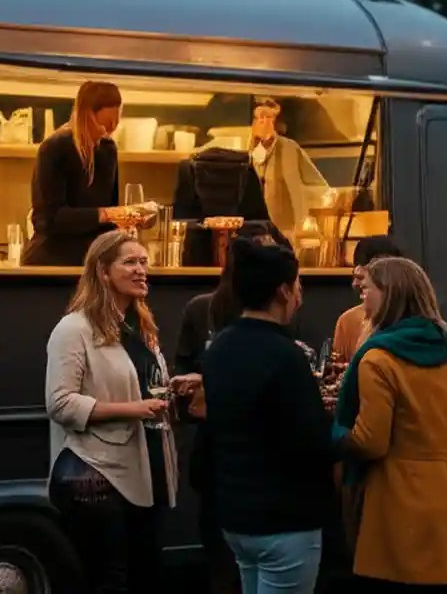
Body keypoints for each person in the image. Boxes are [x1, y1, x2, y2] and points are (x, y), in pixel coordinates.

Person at [333, 257, 447, 592]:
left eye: (367, 289)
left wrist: (335, 433)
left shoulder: (378, 359)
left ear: (389, 295)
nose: (362, 296)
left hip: (398, 501)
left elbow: (371, 441)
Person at [45, 230, 179, 593]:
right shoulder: (73, 329)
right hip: (98, 476)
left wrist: (178, 386)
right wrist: (134, 409)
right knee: (109, 580)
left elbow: (144, 384)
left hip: (148, 471)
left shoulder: (139, 327)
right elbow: (60, 403)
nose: (141, 270)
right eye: (130, 262)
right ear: (102, 271)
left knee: (146, 573)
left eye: (144, 262)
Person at [200, 238, 334, 594]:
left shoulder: (219, 348)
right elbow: (311, 441)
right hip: (285, 520)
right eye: (298, 286)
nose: (300, 296)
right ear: (282, 291)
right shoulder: (285, 355)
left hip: (236, 516)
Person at [172, 221, 280, 594]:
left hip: (263, 454)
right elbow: (181, 373)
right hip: (216, 452)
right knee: (221, 557)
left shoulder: (279, 309)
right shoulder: (202, 308)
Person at [24, 81, 147, 266]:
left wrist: (126, 221)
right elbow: (48, 220)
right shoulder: (55, 147)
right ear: (86, 115)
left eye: (115, 124)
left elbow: (110, 212)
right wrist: (105, 214)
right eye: (105, 124)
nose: (109, 131)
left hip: (91, 262)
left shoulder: (108, 150)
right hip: (52, 260)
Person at [247, 97, 329, 237]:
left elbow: (296, 190)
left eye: (267, 117)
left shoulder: (287, 148)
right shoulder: (253, 149)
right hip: (264, 228)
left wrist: (301, 225)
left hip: (287, 230)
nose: (262, 121)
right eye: (258, 118)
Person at [332, 236, 404, 362]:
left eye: (361, 278)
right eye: (354, 276)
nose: (355, 284)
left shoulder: (413, 325)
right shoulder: (348, 322)